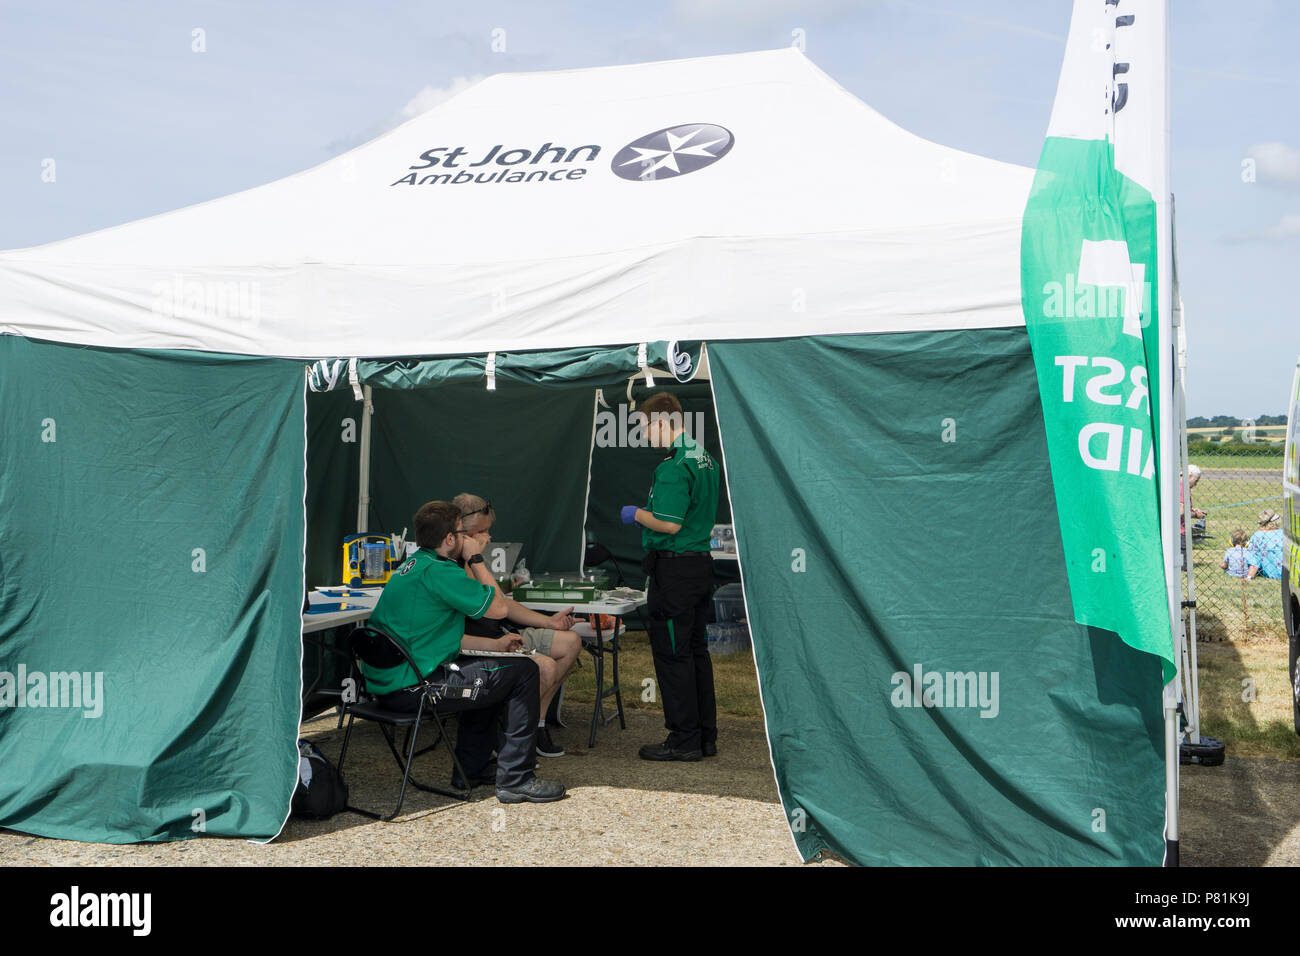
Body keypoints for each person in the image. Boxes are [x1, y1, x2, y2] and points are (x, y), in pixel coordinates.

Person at [361, 500, 565, 803]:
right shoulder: (443, 573)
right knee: (525, 671)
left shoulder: (412, 566)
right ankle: (516, 779)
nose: (466, 539)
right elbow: (497, 608)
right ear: (450, 539)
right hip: (414, 688)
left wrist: (495, 646)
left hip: (392, 682)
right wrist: (476, 558)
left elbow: (436, 640)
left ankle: (472, 769)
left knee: (491, 670)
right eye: (462, 533)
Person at [621, 392, 720, 761]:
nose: (645, 435)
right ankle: (705, 734)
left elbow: (670, 523)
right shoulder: (705, 458)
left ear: (662, 422)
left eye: (646, 427)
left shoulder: (673, 466)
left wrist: (638, 515)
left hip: (676, 570)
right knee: (696, 651)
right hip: (699, 566)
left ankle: (684, 739)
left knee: (672, 654)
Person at [452, 492, 582, 758]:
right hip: (475, 642)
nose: (487, 538)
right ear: (460, 531)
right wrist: (473, 558)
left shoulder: (475, 556)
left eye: (489, 531)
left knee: (570, 641)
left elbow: (503, 605)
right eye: (481, 532)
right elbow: (494, 605)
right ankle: (511, 735)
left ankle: (537, 724)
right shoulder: (456, 562)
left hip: (500, 631)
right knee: (544, 667)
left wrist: (550, 622)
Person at [1246, 510, 1284, 581]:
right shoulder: (1284, 534)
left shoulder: (1257, 536)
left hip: (1271, 573)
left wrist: (1249, 576)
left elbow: (1254, 560)